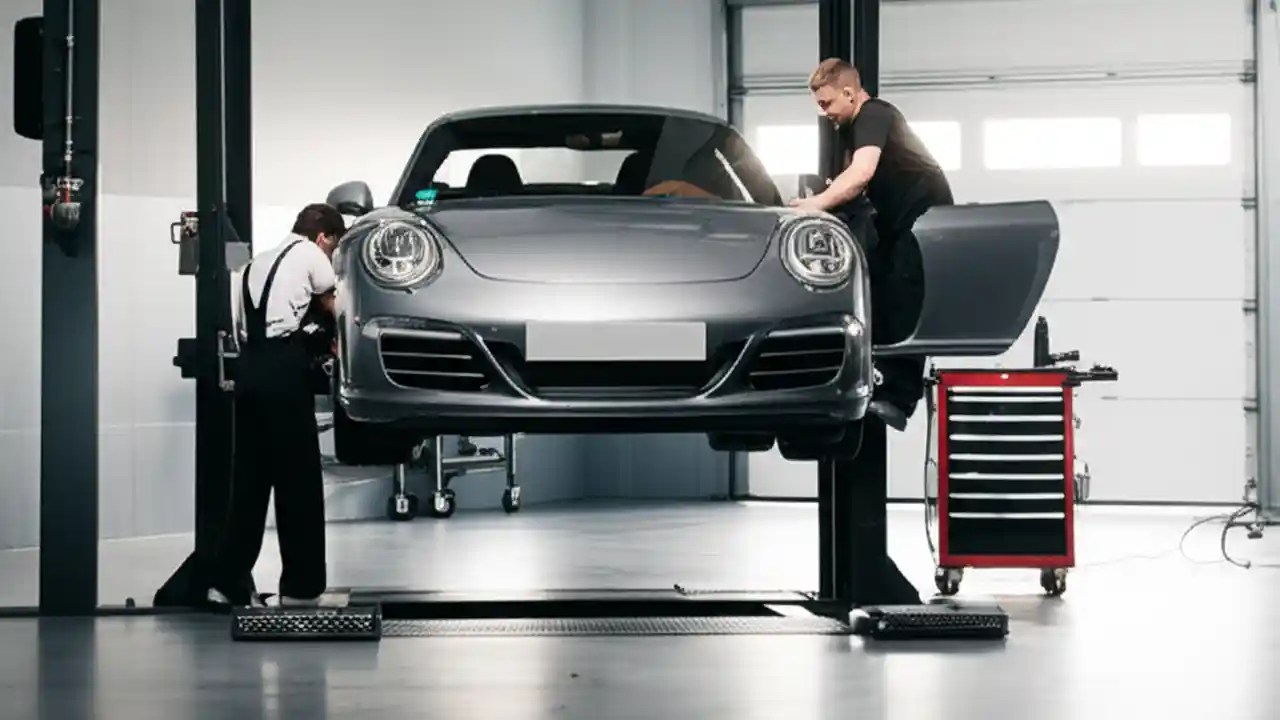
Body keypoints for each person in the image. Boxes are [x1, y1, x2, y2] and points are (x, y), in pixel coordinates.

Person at [791, 57, 955, 428]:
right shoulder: (854, 127)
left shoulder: (874, 114)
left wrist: (815, 205)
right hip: (898, 224)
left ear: (849, 93)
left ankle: (899, 396)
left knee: (901, 299)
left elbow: (862, 173)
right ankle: (872, 381)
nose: (824, 112)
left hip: (925, 224)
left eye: (827, 102)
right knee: (872, 292)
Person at [207, 203, 345, 607]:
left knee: (249, 483)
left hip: (250, 372)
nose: (330, 253)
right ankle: (301, 589)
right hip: (285, 372)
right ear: (323, 237)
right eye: (333, 245)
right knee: (298, 482)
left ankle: (226, 583)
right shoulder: (310, 255)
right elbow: (334, 304)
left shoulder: (254, 264)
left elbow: (241, 328)